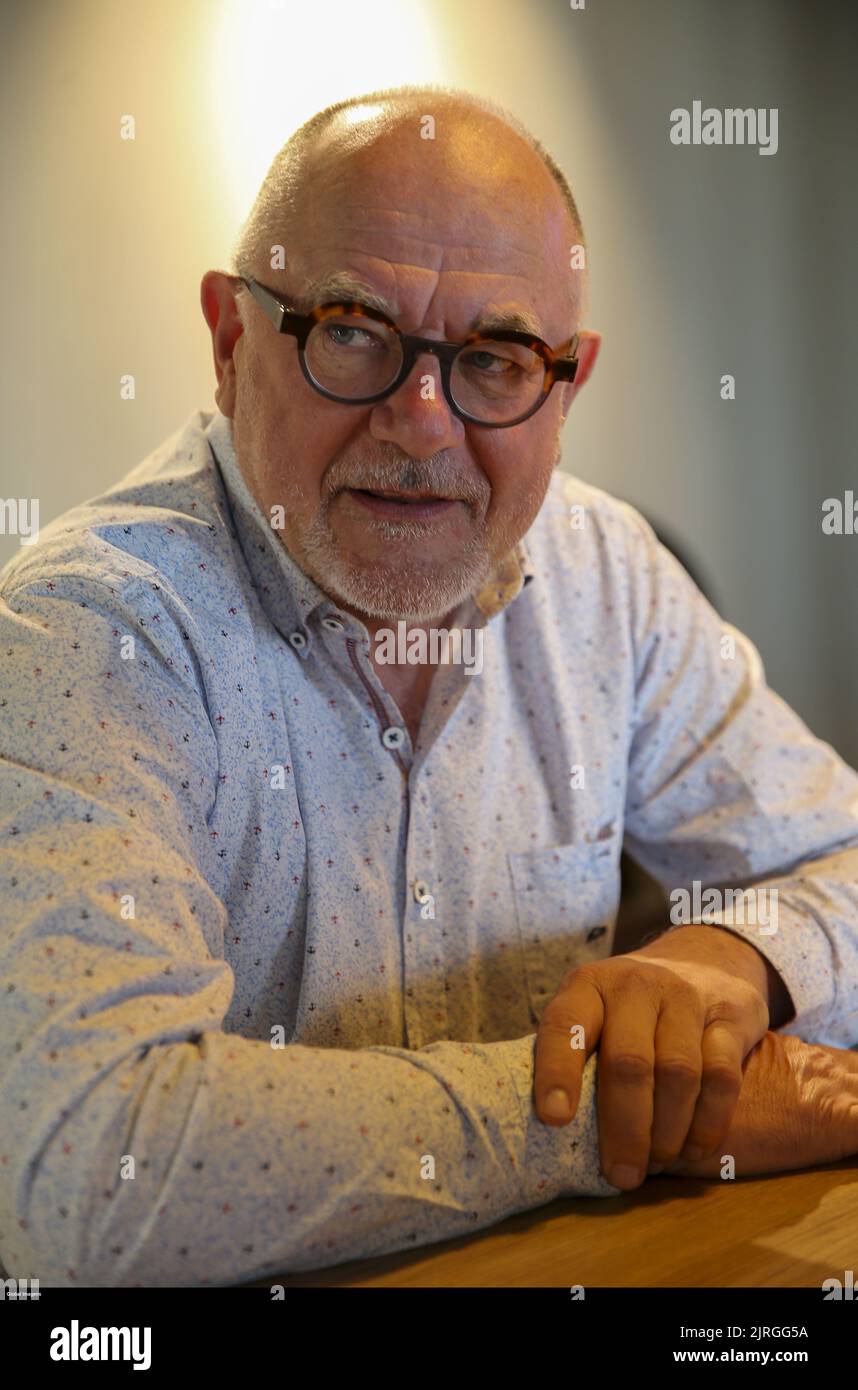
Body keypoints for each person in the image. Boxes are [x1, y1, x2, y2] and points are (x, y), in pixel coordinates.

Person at [1, 85, 857, 1290]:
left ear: (565, 387)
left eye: (496, 360)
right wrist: (615, 1109)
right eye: (351, 330)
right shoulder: (88, 627)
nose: (420, 422)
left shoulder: (604, 575)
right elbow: (82, 1169)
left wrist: (737, 964)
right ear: (232, 337)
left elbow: (842, 858)